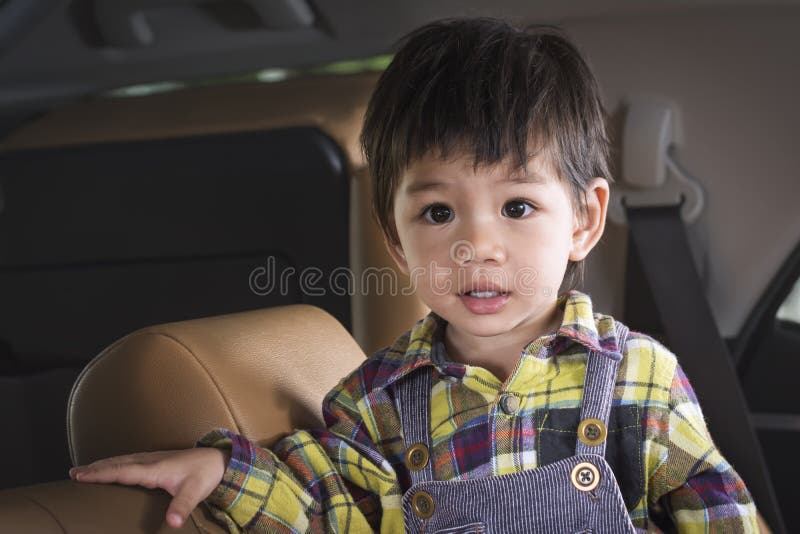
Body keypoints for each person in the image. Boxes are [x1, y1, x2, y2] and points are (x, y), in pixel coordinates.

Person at [69, 18, 758, 533]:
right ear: (395, 240)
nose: (476, 246)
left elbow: (719, 514)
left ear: (584, 218)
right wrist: (224, 472)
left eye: (517, 206)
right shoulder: (375, 402)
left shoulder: (641, 376)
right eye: (436, 212)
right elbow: (323, 506)